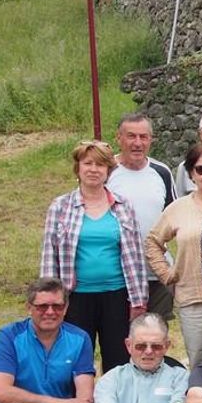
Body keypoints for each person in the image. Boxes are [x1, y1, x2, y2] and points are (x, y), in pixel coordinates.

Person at [41, 139, 147, 372]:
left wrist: (139, 301)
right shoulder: (60, 206)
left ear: (108, 170)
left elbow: (136, 258)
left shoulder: (123, 206)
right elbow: (50, 256)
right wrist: (51, 299)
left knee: (118, 359)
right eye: (87, 163)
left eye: (100, 165)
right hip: (76, 297)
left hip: (117, 295)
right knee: (74, 359)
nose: (93, 169)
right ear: (78, 168)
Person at [145, 143, 202, 367]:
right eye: (201, 169)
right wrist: (166, 274)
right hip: (194, 299)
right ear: (191, 173)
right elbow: (153, 242)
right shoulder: (178, 208)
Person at [108, 113, 177, 319]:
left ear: (151, 140)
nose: (137, 143)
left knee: (156, 336)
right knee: (121, 337)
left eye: (143, 137)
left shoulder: (162, 172)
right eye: (131, 136)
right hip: (117, 273)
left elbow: (174, 218)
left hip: (156, 271)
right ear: (118, 138)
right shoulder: (106, 171)